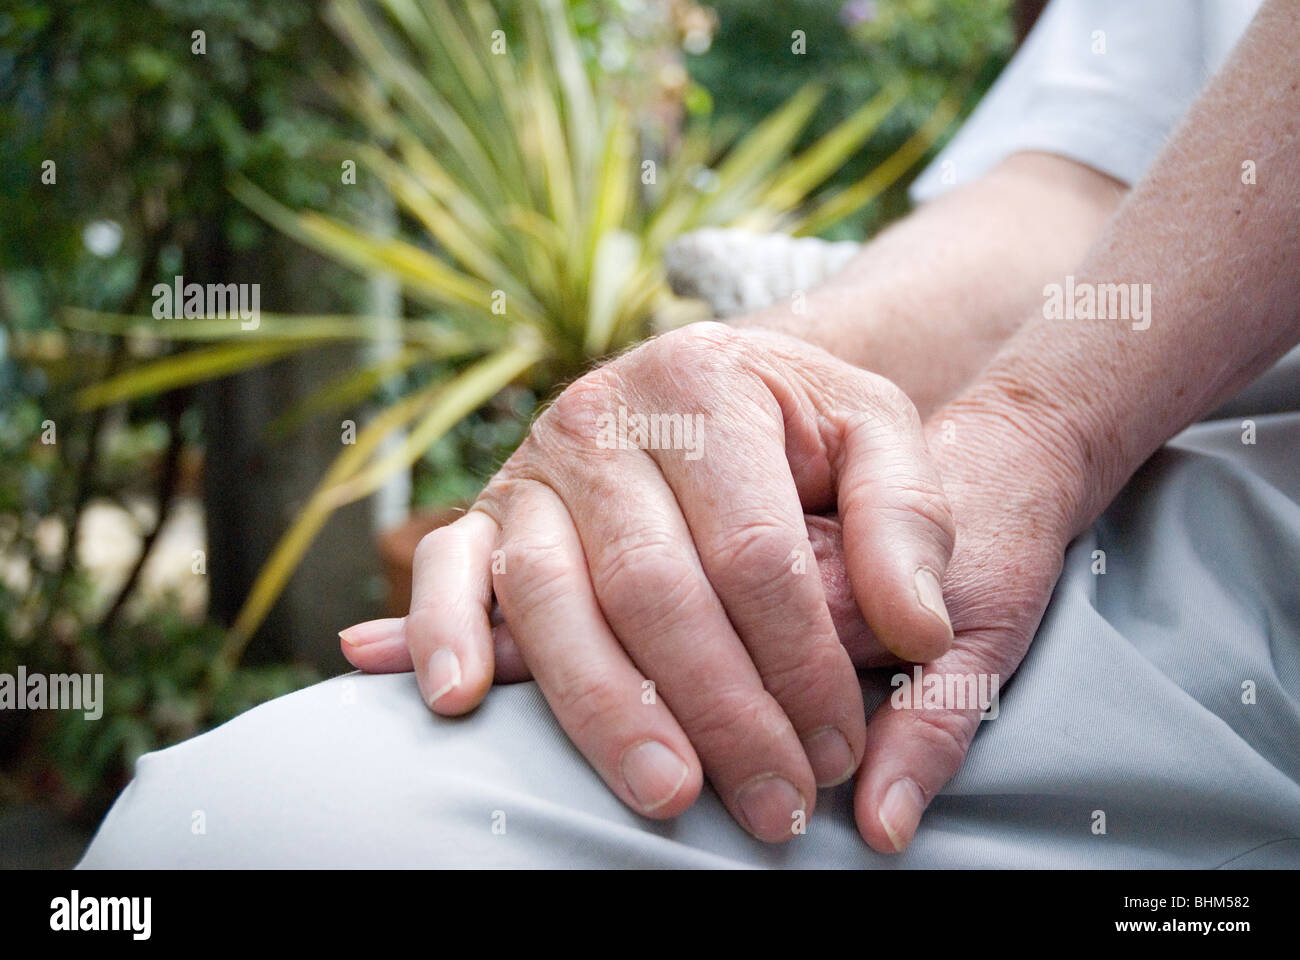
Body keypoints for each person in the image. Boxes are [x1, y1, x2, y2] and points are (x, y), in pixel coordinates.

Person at [80, 0, 1300, 868]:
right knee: (230, 831)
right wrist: (731, 398)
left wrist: (1045, 424)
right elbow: (1085, 183)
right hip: (1136, 497)